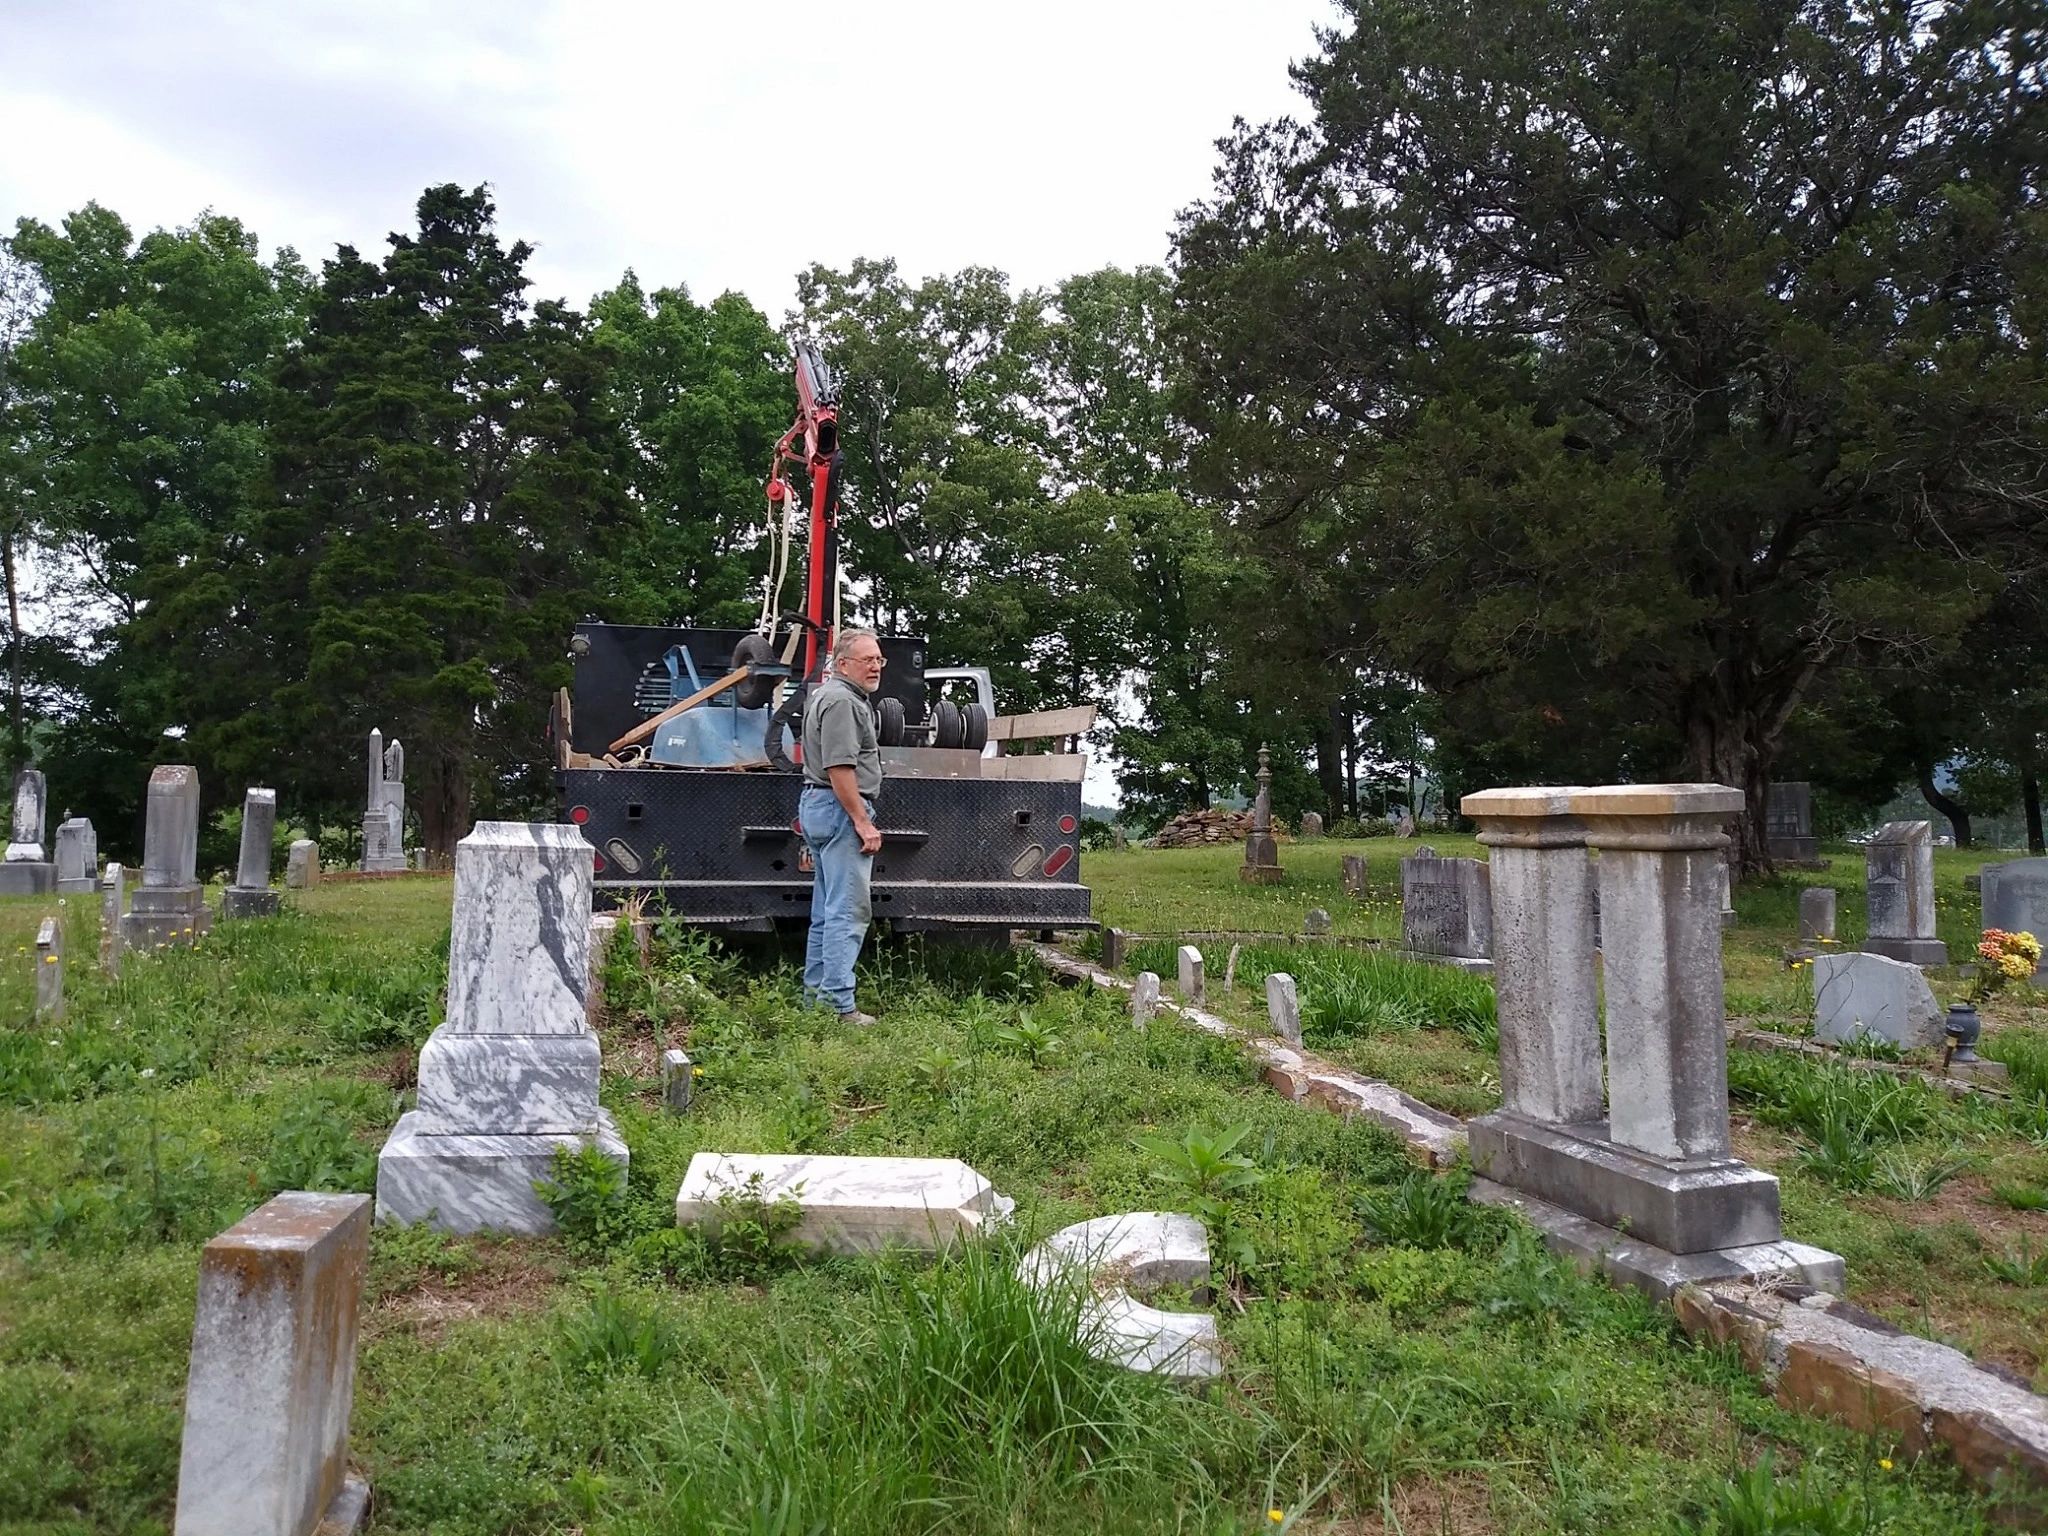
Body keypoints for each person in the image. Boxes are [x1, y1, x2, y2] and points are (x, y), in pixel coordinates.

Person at [799, 629, 886, 1025]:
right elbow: (839, 768)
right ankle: (838, 1006)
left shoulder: (829, 696)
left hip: (820, 805)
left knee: (826, 911)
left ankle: (816, 1002)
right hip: (839, 809)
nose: (875, 666)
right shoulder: (843, 702)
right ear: (843, 664)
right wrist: (862, 821)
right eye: (867, 659)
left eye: (879, 659)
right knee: (848, 911)